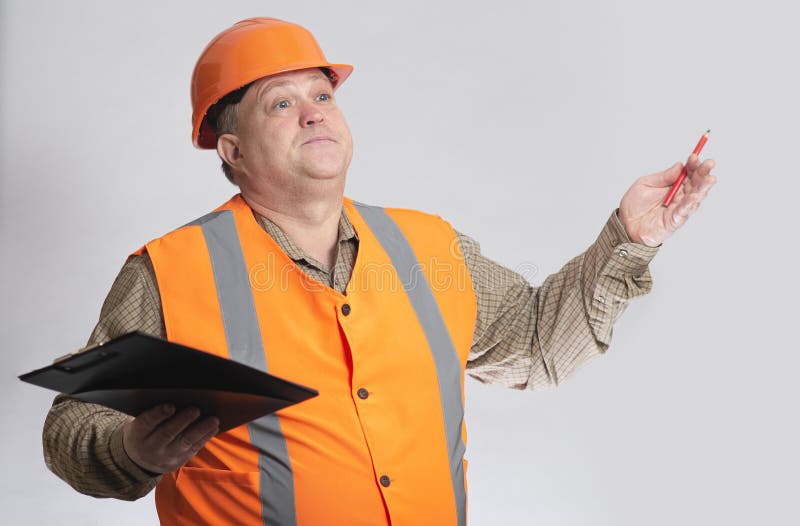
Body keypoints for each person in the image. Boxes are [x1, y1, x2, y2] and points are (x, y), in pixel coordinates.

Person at [42, 17, 716, 526]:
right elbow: (71, 427)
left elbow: (538, 346)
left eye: (322, 96)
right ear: (233, 149)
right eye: (280, 103)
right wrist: (133, 449)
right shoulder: (169, 272)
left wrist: (629, 238)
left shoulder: (430, 248)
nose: (313, 111)